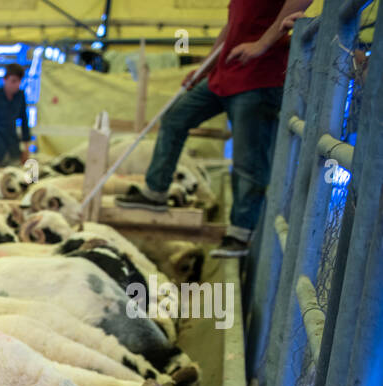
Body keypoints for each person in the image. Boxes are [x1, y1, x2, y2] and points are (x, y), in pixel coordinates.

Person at [116, 0, 313, 258]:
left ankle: (240, 233)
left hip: (258, 77)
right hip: (224, 73)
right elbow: (232, 28)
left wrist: (262, 44)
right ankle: (156, 191)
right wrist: (204, 68)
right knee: (175, 117)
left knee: (247, 160)